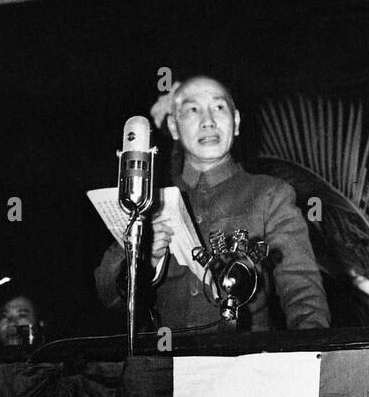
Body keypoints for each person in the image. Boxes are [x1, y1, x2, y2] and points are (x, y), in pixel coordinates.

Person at [94, 75, 330, 333]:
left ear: (236, 121)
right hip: (162, 367)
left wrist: (310, 357)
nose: (208, 122)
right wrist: (143, 261)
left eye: (219, 107)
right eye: (193, 110)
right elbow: (109, 296)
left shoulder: (270, 194)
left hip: (243, 364)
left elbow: (302, 292)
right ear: (173, 126)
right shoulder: (146, 201)